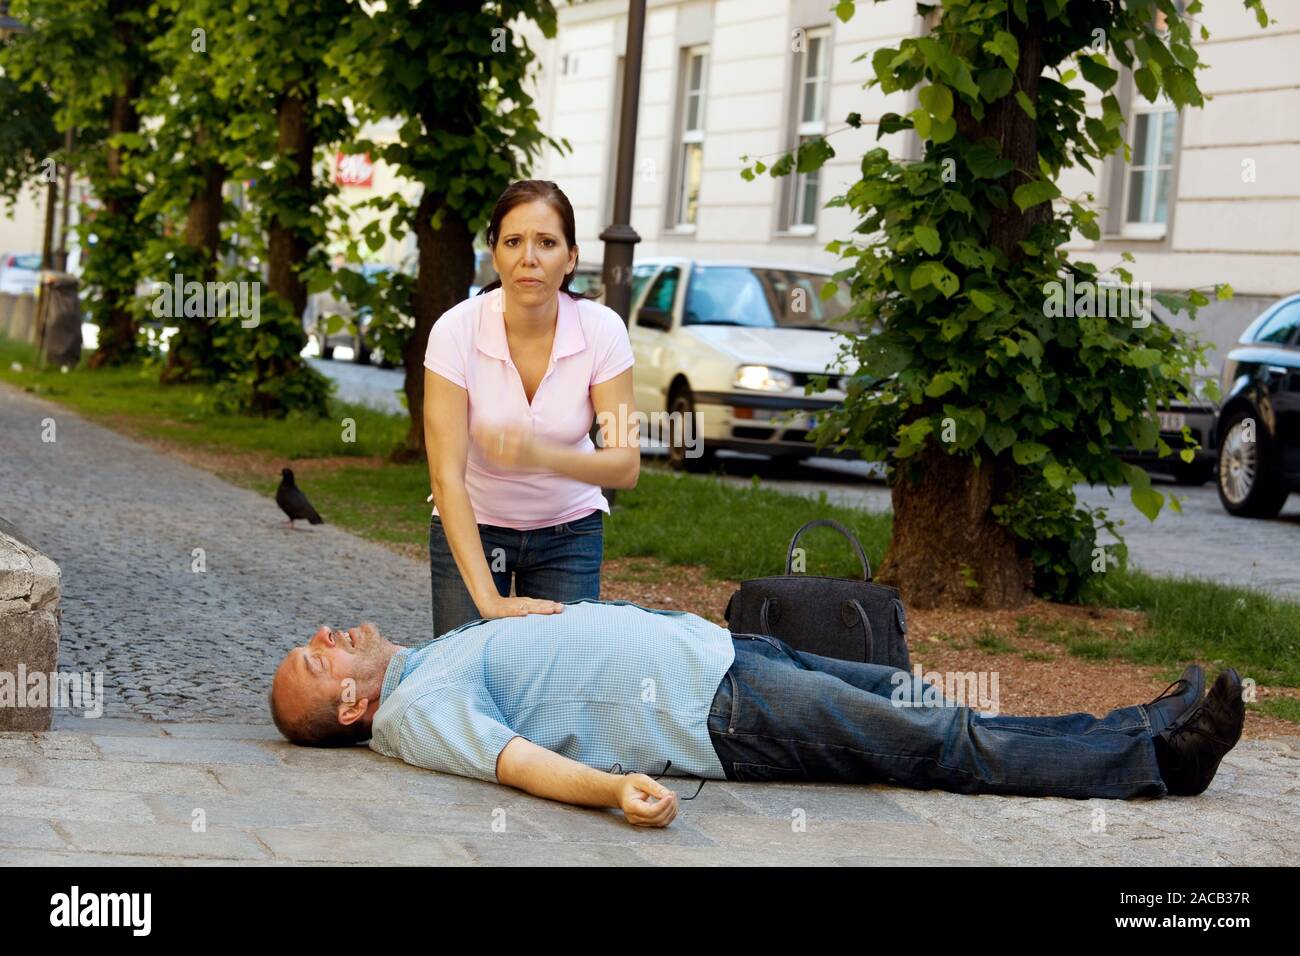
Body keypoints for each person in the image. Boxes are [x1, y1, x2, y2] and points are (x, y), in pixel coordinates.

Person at [268, 600, 1246, 828]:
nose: (328, 632)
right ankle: (1157, 756)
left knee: (924, 703)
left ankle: (1140, 725)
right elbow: (514, 760)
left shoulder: (426, 657)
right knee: (939, 743)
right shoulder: (418, 707)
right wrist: (615, 792)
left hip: (724, 654)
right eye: (321, 658)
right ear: (351, 704)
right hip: (722, 709)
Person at [422, 180, 639, 638]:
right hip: (474, 526)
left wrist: (538, 454)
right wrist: (488, 601)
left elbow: (625, 466)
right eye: (514, 241)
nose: (529, 258)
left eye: (547, 243)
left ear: (571, 258)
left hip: (570, 534)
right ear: (494, 252)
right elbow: (445, 476)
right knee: (466, 678)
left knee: (560, 686)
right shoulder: (454, 332)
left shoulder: (603, 331)